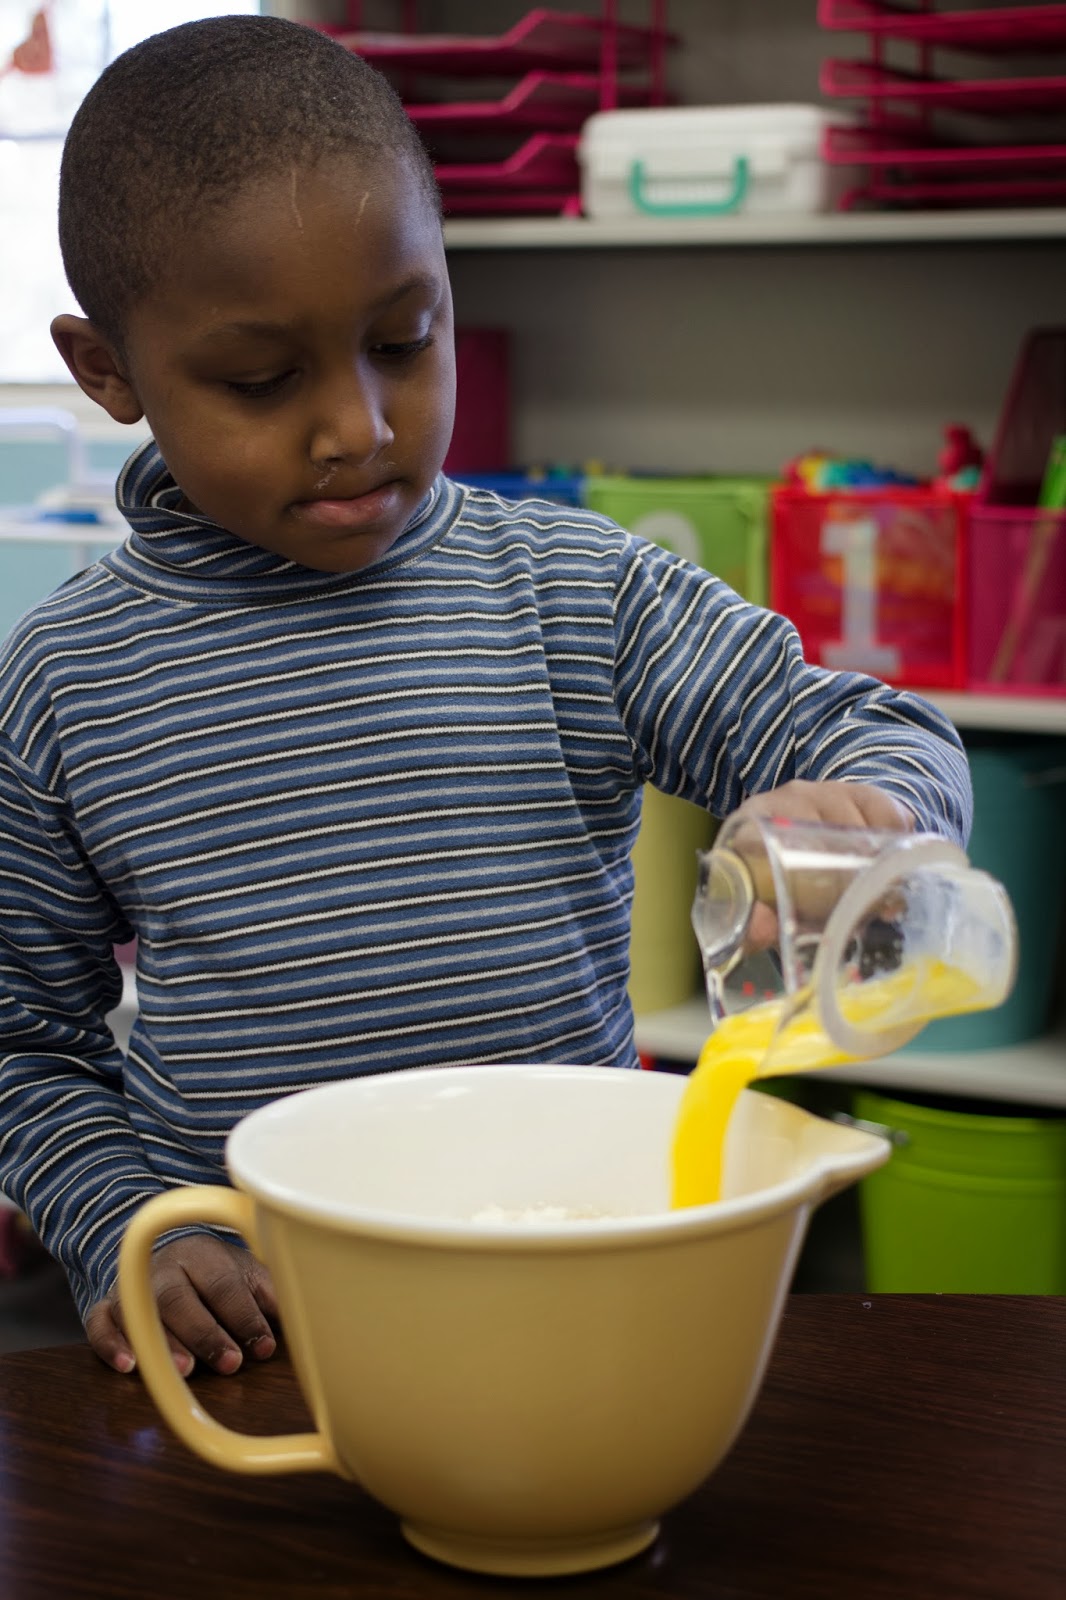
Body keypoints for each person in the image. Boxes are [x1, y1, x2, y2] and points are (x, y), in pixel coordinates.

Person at [0, 15, 971, 1380]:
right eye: (262, 380)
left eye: (404, 340)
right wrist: (126, 1231)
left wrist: (867, 812)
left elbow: (861, 727)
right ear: (107, 370)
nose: (361, 425)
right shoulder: (64, 680)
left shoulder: (574, 593)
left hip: (565, 1284)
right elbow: (20, 1041)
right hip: (259, 1335)